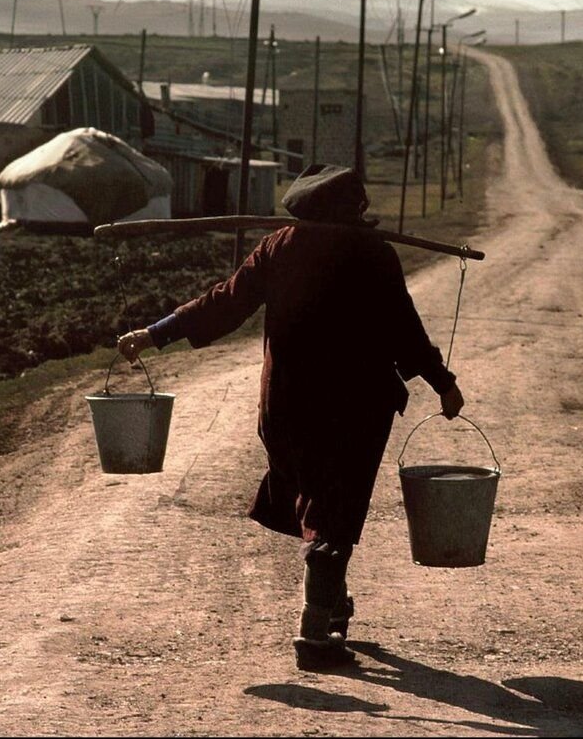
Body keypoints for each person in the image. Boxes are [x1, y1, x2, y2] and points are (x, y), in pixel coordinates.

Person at [116, 164, 465, 671]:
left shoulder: (280, 247)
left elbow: (226, 301)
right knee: (333, 515)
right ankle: (316, 633)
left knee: (322, 506)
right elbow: (403, 331)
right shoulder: (372, 254)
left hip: (286, 408)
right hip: (353, 409)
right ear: (352, 209)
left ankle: (333, 605)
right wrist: (444, 383)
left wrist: (155, 332)